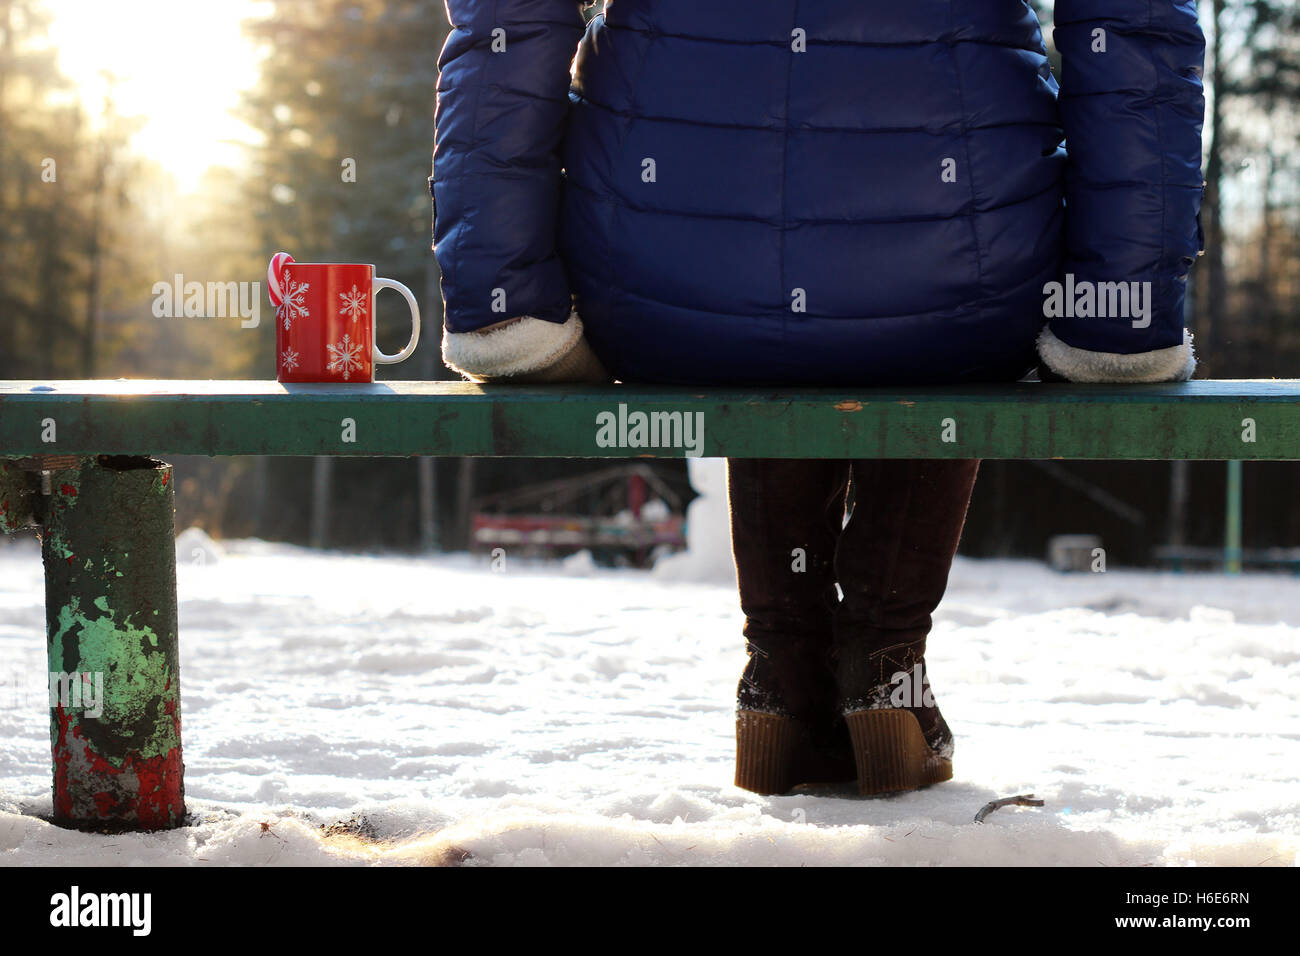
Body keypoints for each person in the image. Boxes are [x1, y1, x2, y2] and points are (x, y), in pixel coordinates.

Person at [430, 1, 1206, 795]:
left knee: (755, 319)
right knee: (932, 324)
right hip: (962, 253)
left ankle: (782, 672)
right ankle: (885, 666)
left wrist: (507, 302)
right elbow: (1133, 20)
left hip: (664, 267)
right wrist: (1123, 305)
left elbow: (509, 18)